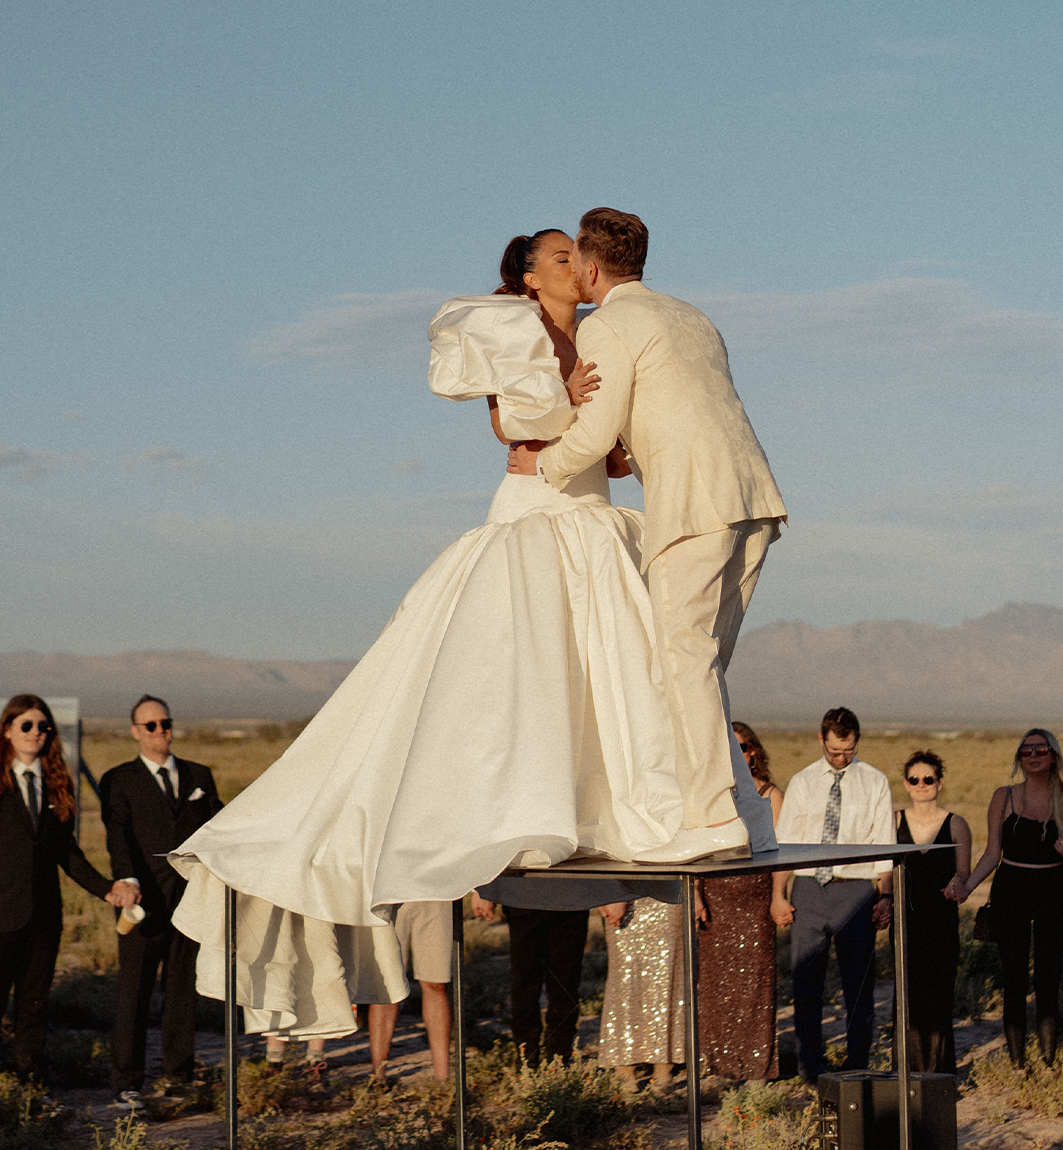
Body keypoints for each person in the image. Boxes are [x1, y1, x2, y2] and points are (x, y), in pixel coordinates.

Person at [170, 228, 685, 1037]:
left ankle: (609, 815)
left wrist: (612, 442)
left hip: (593, 511)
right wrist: (571, 401)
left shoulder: (598, 334)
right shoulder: (511, 328)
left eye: (575, 256)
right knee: (520, 671)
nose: (574, 266)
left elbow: (608, 443)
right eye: (559, 257)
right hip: (536, 513)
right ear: (529, 275)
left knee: (612, 672)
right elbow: (511, 426)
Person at [508, 207, 788, 864]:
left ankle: (712, 818)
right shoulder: (692, 317)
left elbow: (597, 431)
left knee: (683, 660)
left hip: (693, 504)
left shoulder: (608, 325)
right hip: (752, 498)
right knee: (702, 665)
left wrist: (543, 464)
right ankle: (742, 818)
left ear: (591, 266)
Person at [0, 695, 136, 1082]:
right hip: (2, 916)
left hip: (44, 917)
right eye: (26, 725)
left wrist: (107, 889)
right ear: (7, 731)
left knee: (33, 1005)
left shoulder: (57, 784)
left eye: (43, 726)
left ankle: (29, 1083)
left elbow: (67, 853)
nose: (35, 733)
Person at [100, 695, 223, 1107]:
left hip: (189, 901)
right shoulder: (119, 779)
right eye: (150, 725)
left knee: (182, 991)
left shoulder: (199, 775)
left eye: (164, 723)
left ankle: (178, 1075)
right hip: (142, 902)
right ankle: (127, 1081)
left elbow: (218, 828)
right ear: (135, 731)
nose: (159, 730)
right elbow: (117, 834)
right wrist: (127, 880)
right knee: (133, 992)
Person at [770, 707, 895, 1083]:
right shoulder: (802, 782)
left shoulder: (875, 782)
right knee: (806, 983)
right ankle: (811, 1067)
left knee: (858, 985)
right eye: (834, 750)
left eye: (849, 750)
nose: (841, 757)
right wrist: (778, 893)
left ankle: (856, 1064)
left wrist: (885, 897)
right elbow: (786, 844)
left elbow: (884, 844)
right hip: (809, 890)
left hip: (855, 892)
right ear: (821, 739)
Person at [954, 729, 1063, 1069]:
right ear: (1019, 758)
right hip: (1011, 888)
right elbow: (992, 853)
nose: (1033, 755)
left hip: (1054, 889)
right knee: (1013, 975)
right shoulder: (1004, 797)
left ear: (1054, 756)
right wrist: (967, 886)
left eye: (1041, 749)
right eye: (1026, 750)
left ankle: (1048, 1061)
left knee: (1048, 975)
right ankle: (1017, 1063)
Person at [695, 723, 783, 1082]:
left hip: (755, 897)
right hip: (716, 897)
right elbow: (699, 850)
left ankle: (757, 1066)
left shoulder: (770, 794)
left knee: (756, 984)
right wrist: (696, 893)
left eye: (743, 747)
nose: (738, 754)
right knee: (716, 985)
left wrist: (778, 896)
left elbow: (779, 851)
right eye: (730, 747)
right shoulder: (708, 795)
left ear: (754, 751)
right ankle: (718, 1064)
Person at [895, 750, 970, 1074]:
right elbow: (885, 872)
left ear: (940, 782)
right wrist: (883, 899)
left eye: (928, 778)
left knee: (939, 995)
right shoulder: (894, 821)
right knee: (906, 996)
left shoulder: (956, 824)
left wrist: (958, 882)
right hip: (905, 921)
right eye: (914, 779)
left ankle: (938, 1077)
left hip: (941, 921)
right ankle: (906, 1075)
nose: (921, 784)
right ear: (906, 784)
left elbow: (964, 872)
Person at [471, 889, 588, 1068]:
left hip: (572, 895)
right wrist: (482, 888)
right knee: (524, 984)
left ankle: (559, 1061)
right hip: (523, 895)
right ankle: (527, 1062)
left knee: (565, 983)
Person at [597, 897, 685, 1093]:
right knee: (624, 977)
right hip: (622, 892)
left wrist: (694, 890)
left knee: (666, 974)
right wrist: (611, 894)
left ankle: (664, 1064)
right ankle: (624, 1067)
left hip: (667, 894)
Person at [368, 901, 452, 1081]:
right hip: (391, 896)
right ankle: (378, 1079)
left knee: (436, 983)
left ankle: (443, 1079)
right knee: (386, 986)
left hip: (436, 894)